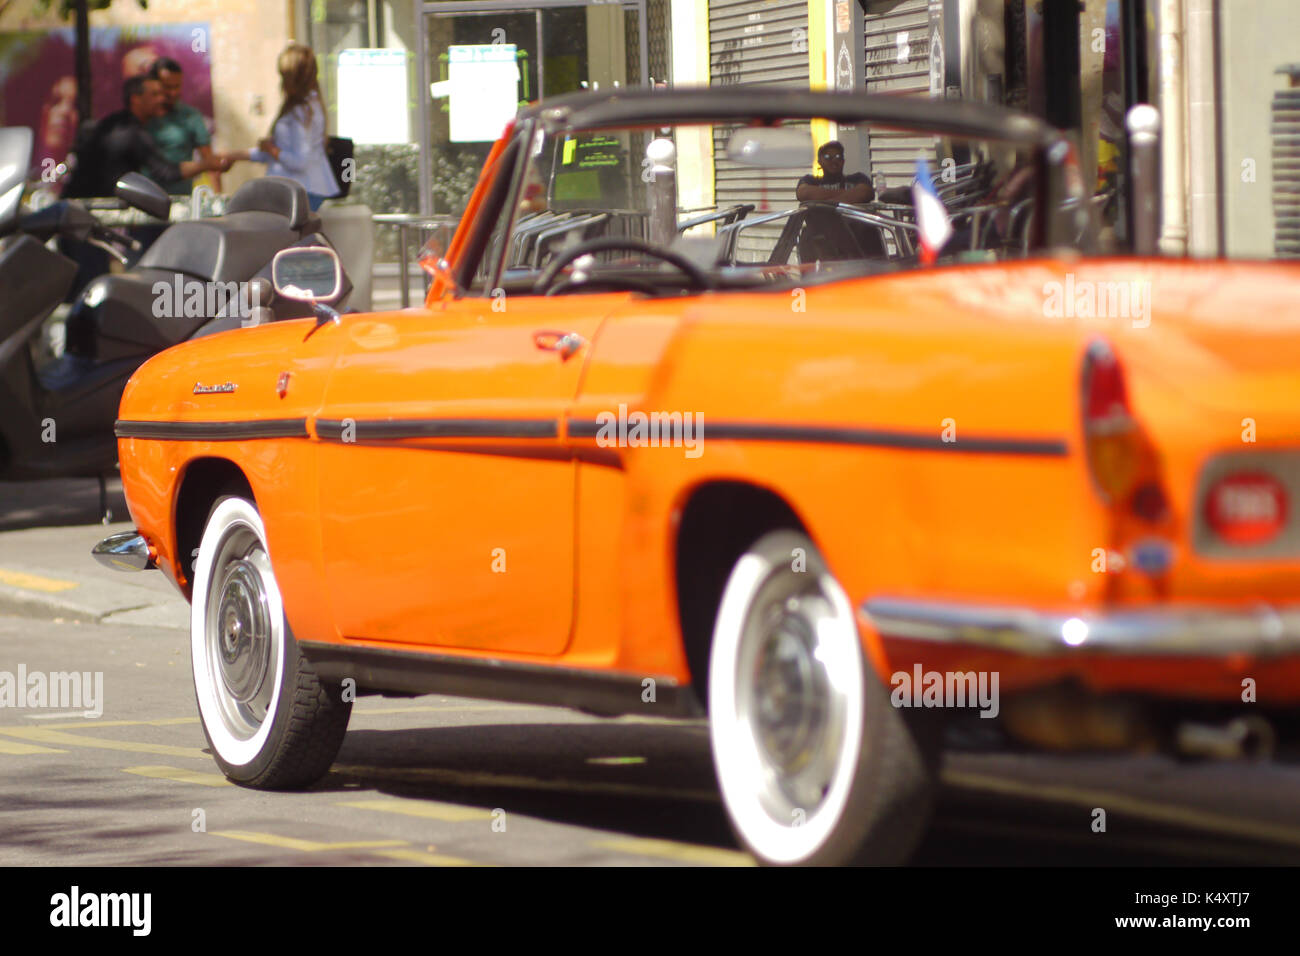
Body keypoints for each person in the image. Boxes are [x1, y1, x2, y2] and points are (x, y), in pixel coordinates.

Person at [62, 74, 228, 199]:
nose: (161, 99)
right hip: (89, 216)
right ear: (136, 100)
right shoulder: (132, 134)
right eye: (154, 95)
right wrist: (206, 164)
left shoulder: (113, 124)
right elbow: (166, 172)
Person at [228, 44, 339, 212]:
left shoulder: (300, 112)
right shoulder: (311, 107)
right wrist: (235, 156)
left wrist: (272, 149)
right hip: (307, 188)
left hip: (298, 191)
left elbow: (299, 161)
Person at [148, 57, 221, 195]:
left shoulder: (190, 116)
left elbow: (209, 162)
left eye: (176, 86)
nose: (173, 93)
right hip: (143, 199)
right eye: (167, 87)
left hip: (178, 201)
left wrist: (217, 199)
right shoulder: (142, 117)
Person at [796, 141, 874, 204]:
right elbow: (803, 193)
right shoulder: (810, 180)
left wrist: (824, 202)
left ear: (843, 161)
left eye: (838, 156)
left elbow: (864, 193)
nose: (834, 161)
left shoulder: (858, 178)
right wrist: (849, 195)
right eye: (827, 157)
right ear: (819, 162)